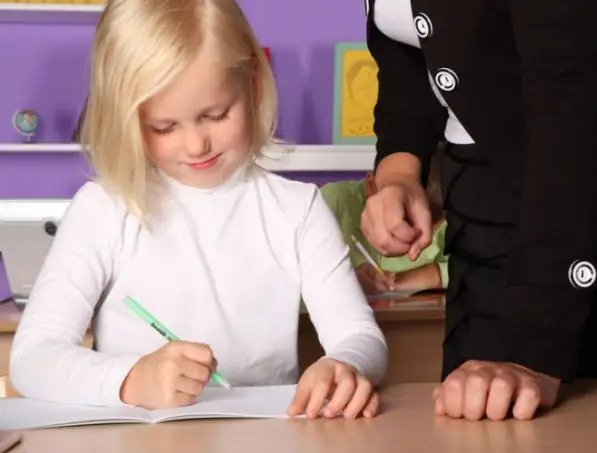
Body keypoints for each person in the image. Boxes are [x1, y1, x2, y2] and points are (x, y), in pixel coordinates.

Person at [10, 0, 387, 420]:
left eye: (216, 114)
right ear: (128, 120)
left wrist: (344, 365)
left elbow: (360, 336)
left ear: (254, 84)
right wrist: (131, 379)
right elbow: (30, 358)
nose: (196, 145)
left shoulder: (297, 211)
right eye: (164, 127)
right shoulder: (102, 210)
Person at [361, 0, 597, 421]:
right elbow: (408, 39)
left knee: (552, 414)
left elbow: (571, 103)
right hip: (479, 172)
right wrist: (399, 169)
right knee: (469, 407)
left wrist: (535, 354)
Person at [320, 143, 448, 295]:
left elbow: (477, 269)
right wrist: (341, 280)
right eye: (406, 217)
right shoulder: (330, 204)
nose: (425, 234)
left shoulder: (455, 215)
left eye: (434, 223)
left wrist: (432, 275)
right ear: (371, 185)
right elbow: (292, 272)